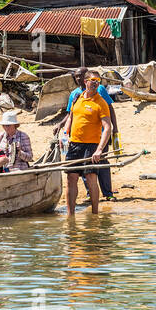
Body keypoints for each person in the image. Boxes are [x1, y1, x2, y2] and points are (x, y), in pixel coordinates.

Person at [60, 70, 113, 214]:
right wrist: (64, 134)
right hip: (74, 144)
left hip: (91, 145)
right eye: (93, 80)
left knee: (91, 178)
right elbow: (70, 117)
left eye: (98, 80)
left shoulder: (101, 102)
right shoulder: (77, 97)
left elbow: (107, 127)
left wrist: (99, 149)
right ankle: (70, 216)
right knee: (71, 178)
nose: (96, 83)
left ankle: (95, 214)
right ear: (86, 81)